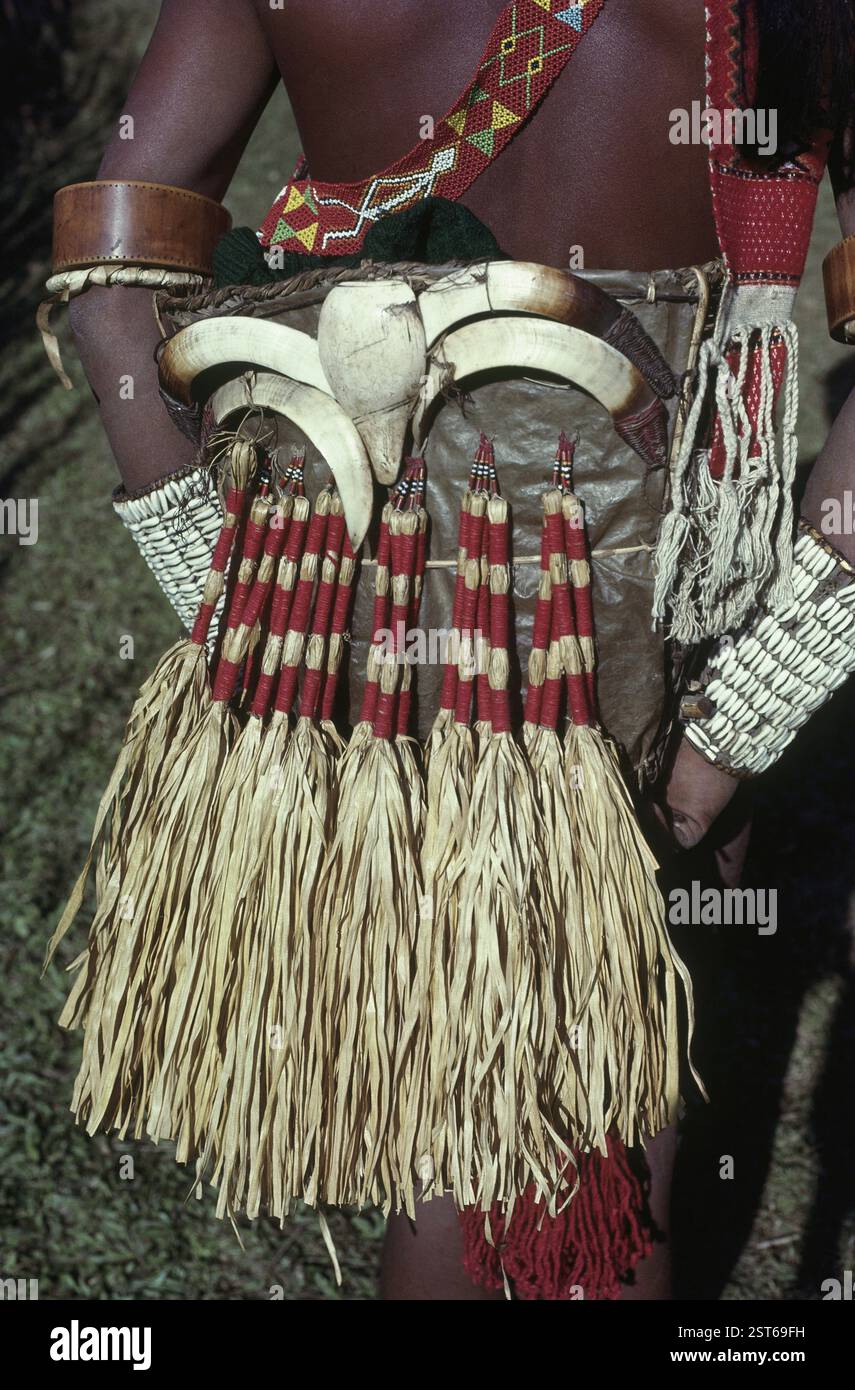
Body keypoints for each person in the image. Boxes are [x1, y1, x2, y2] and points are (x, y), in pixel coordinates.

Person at [53, 0, 855, 1300]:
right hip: (631, 624)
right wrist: (732, 732)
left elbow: (106, 278)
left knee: (448, 1113)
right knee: (601, 1127)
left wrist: (234, 609)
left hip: (334, 612)